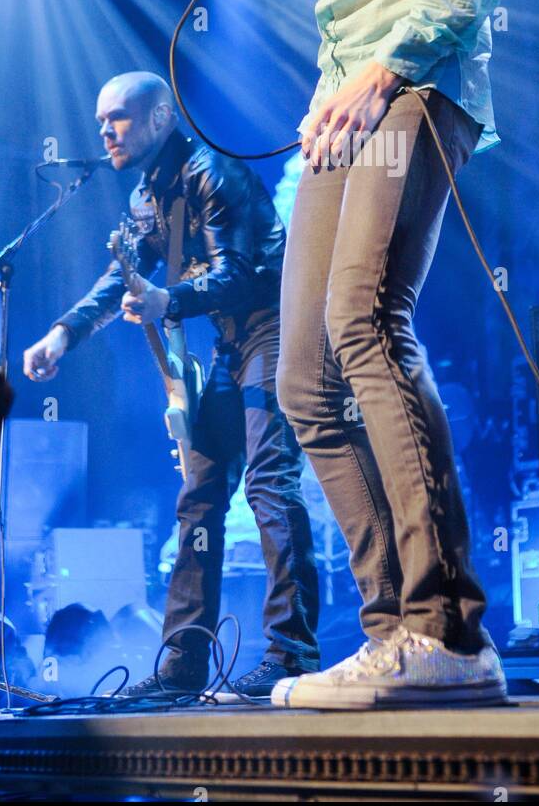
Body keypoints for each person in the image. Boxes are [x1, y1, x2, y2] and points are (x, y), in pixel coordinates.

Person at [169, 0, 519, 708]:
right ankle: (391, 632)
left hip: (415, 82)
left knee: (366, 323)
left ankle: (450, 624)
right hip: (337, 112)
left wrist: (392, 63)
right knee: (305, 381)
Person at [22, 71, 320, 698]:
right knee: (199, 495)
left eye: (120, 117)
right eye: (101, 119)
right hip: (231, 346)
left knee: (269, 483)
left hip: (281, 328)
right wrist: (62, 334)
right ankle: (183, 666)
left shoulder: (215, 173)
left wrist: (170, 299)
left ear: (160, 118)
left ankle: (292, 655)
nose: (105, 129)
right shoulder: (143, 199)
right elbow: (117, 283)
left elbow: (246, 271)